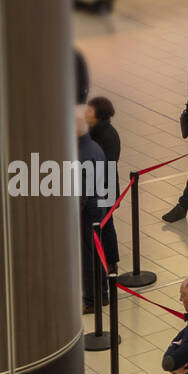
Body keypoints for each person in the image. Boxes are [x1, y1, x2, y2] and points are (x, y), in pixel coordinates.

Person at [76, 107, 118, 315]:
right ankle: (101, 293)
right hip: (98, 206)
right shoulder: (92, 147)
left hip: (90, 212)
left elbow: (82, 193)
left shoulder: (84, 154)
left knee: (89, 255)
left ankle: (93, 299)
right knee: (96, 252)